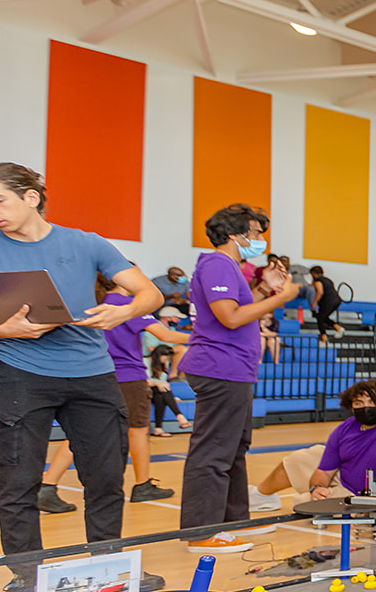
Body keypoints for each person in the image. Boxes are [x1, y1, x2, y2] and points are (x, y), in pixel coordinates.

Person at [0, 163, 166, 592]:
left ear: (32, 196)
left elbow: (149, 294)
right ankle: (25, 579)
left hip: (92, 376)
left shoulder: (85, 242)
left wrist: (124, 310)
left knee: (106, 479)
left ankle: (110, 566)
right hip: (20, 376)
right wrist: (2, 331)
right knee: (16, 484)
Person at [179, 202, 300, 553]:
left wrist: (266, 290)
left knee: (233, 448)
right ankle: (201, 532)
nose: (260, 239)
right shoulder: (217, 263)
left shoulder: (232, 268)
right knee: (214, 450)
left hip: (234, 369)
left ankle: (233, 520)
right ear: (234, 234)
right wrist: (283, 299)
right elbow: (230, 317)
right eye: (255, 232)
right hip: (219, 368)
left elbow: (240, 309)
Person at [38, 274, 191, 509]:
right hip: (128, 377)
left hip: (95, 374)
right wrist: (209, 338)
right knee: (138, 431)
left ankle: (48, 486)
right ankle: (143, 485)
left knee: (80, 434)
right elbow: (166, 336)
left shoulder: (91, 301)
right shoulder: (129, 305)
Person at [250, 380, 376, 516]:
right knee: (301, 458)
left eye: (373, 402)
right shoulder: (346, 428)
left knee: (305, 505)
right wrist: (317, 487)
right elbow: (324, 472)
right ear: (351, 406)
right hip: (346, 478)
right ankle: (261, 496)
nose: (366, 407)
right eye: (359, 403)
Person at [146, 344, 189, 436]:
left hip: (157, 393)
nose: (167, 360)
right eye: (166, 357)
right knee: (160, 390)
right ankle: (179, 416)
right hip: (145, 391)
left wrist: (171, 398)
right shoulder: (145, 361)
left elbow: (164, 384)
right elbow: (143, 382)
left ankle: (158, 428)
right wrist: (157, 383)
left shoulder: (162, 366)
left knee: (160, 396)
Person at [310, 265, 344, 344]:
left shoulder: (318, 281)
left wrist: (314, 302)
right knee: (323, 317)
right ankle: (337, 328)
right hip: (336, 300)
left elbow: (320, 292)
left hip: (328, 301)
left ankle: (324, 338)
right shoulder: (327, 280)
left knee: (320, 319)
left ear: (313, 274)